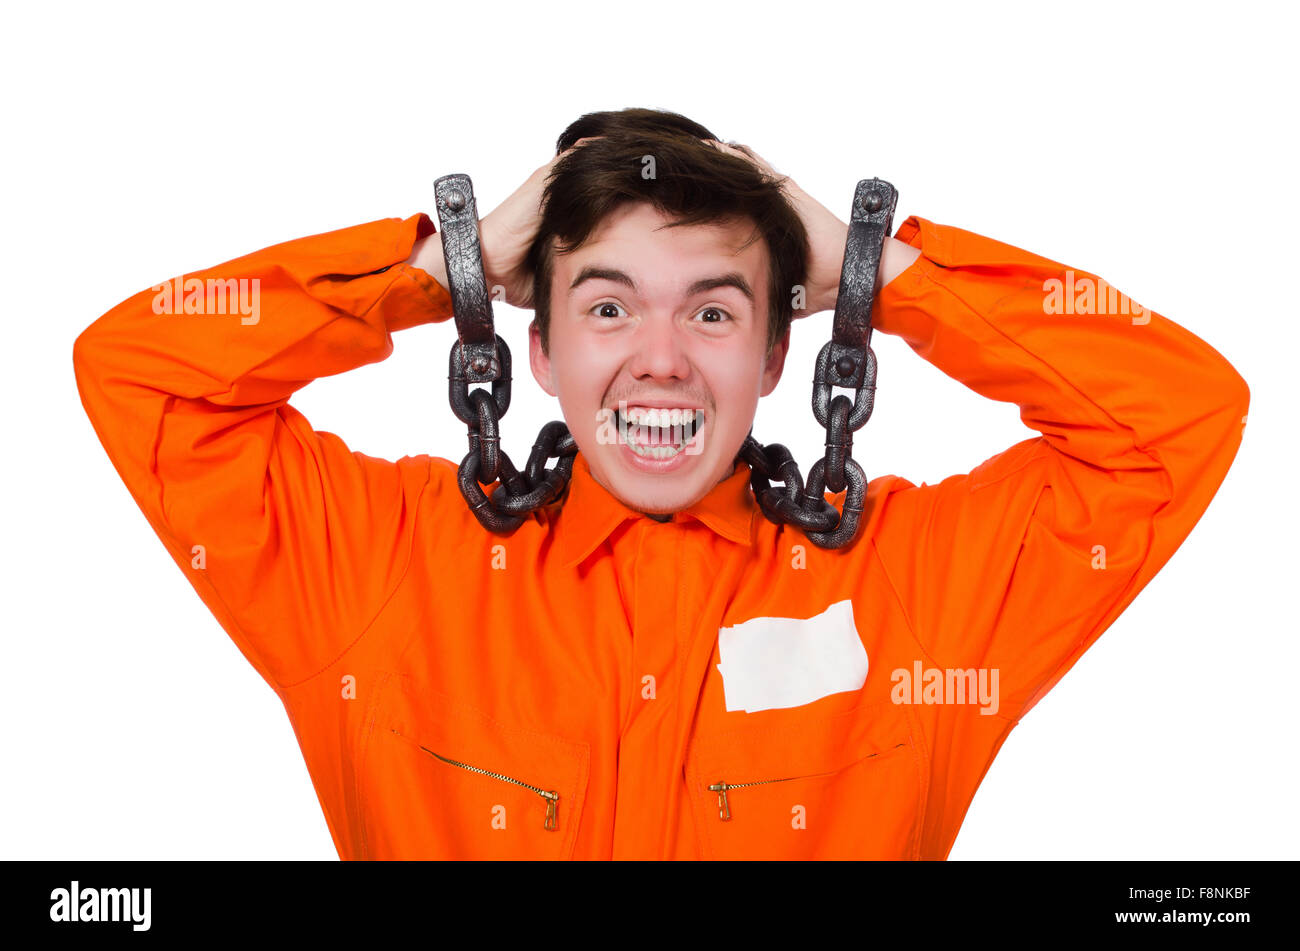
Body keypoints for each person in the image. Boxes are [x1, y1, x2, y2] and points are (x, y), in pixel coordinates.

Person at [72, 107, 1249, 860]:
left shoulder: (920, 595)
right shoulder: (379, 568)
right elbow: (141, 374)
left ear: (780, 355)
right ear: (534, 349)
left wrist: (869, 271)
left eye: (714, 309)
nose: (662, 356)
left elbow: (1174, 418)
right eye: (606, 304)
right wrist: (451, 267)